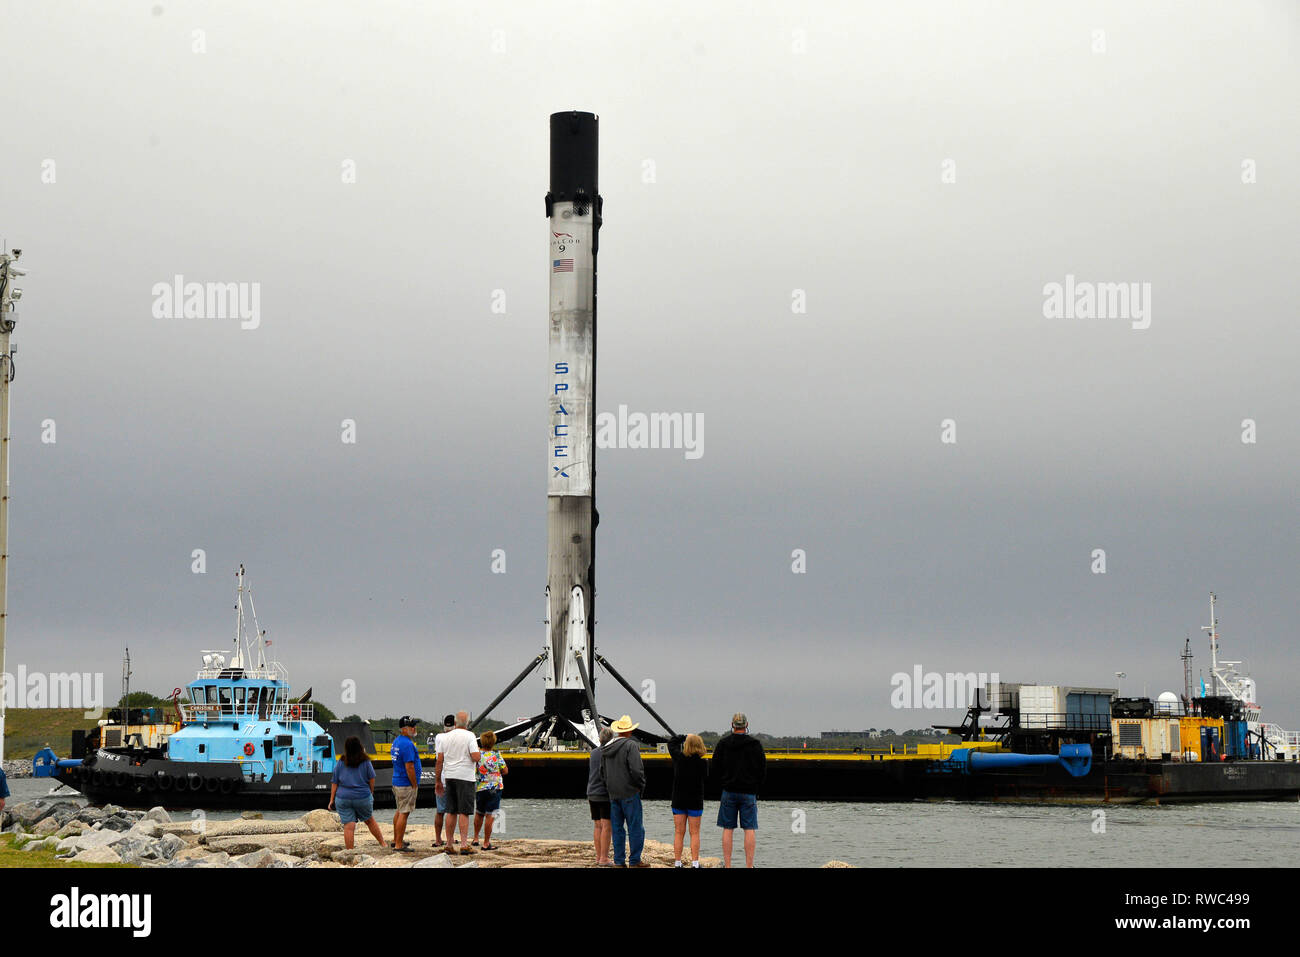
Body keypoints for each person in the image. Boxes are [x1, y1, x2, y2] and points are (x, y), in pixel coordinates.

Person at [710, 712, 765, 868]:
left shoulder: (723, 744)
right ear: (746, 725)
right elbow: (762, 770)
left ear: (732, 725)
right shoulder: (755, 744)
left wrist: (723, 784)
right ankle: (749, 865)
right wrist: (756, 787)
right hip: (749, 792)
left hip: (729, 791)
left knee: (728, 828)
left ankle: (728, 865)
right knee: (749, 829)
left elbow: (715, 768)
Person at [602, 715, 647, 868]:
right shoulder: (631, 745)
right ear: (629, 731)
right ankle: (634, 860)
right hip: (629, 792)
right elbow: (636, 770)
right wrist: (640, 785)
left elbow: (603, 772)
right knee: (635, 827)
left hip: (613, 793)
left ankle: (619, 861)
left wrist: (609, 787)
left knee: (617, 829)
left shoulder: (606, 747)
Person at [329, 735, 386, 850]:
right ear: (360, 746)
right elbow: (372, 779)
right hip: (362, 797)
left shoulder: (341, 761)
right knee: (369, 820)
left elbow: (335, 781)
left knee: (349, 826)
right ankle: (383, 844)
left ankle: (350, 851)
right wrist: (370, 792)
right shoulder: (365, 761)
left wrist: (331, 799)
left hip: (343, 798)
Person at [435, 710, 481, 855]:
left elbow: (439, 760)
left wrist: (438, 781)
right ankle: (463, 844)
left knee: (451, 811)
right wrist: (478, 753)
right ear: (468, 723)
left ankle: (448, 843)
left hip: (449, 776)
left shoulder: (445, 737)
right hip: (465, 777)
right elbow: (475, 757)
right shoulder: (470, 736)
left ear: (455, 723)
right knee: (464, 812)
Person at [669, 732, 708, 868]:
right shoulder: (703, 763)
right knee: (695, 833)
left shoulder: (679, 758)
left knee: (679, 832)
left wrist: (684, 736)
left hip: (678, 799)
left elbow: (671, 743)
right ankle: (695, 863)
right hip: (695, 801)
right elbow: (705, 778)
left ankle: (677, 862)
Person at [390, 715, 422, 852]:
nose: (414, 728)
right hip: (405, 783)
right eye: (411, 726)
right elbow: (409, 766)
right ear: (404, 728)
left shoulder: (397, 741)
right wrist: (414, 784)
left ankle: (396, 840)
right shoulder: (408, 744)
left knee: (399, 810)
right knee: (404, 813)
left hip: (397, 781)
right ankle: (398, 845)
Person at [471, 730, 507, 849]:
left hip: (481, 787)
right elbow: (505, 770)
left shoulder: (477, 755)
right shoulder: (496, 755)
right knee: (490, 815)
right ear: (493, 742)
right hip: (495, 788)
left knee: (479, 813)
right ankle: (486, 843)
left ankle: (475, 838)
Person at [587, 726, 614, 866]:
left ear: (600, 738)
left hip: (592, 792)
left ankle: (598, 857)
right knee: (606, 826)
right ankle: (604, 858)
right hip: (604, 793)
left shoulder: (594, 753)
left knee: (597, 826)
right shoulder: (608, 753)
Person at [432, 714, 456, 848]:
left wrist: (437, 781)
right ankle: (449, 839)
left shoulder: (439, 737)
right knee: (452, 812)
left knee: (440, 811)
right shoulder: (458, 737)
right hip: (454, 778)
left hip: (441, 778)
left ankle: (437, 839)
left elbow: (438, 761)